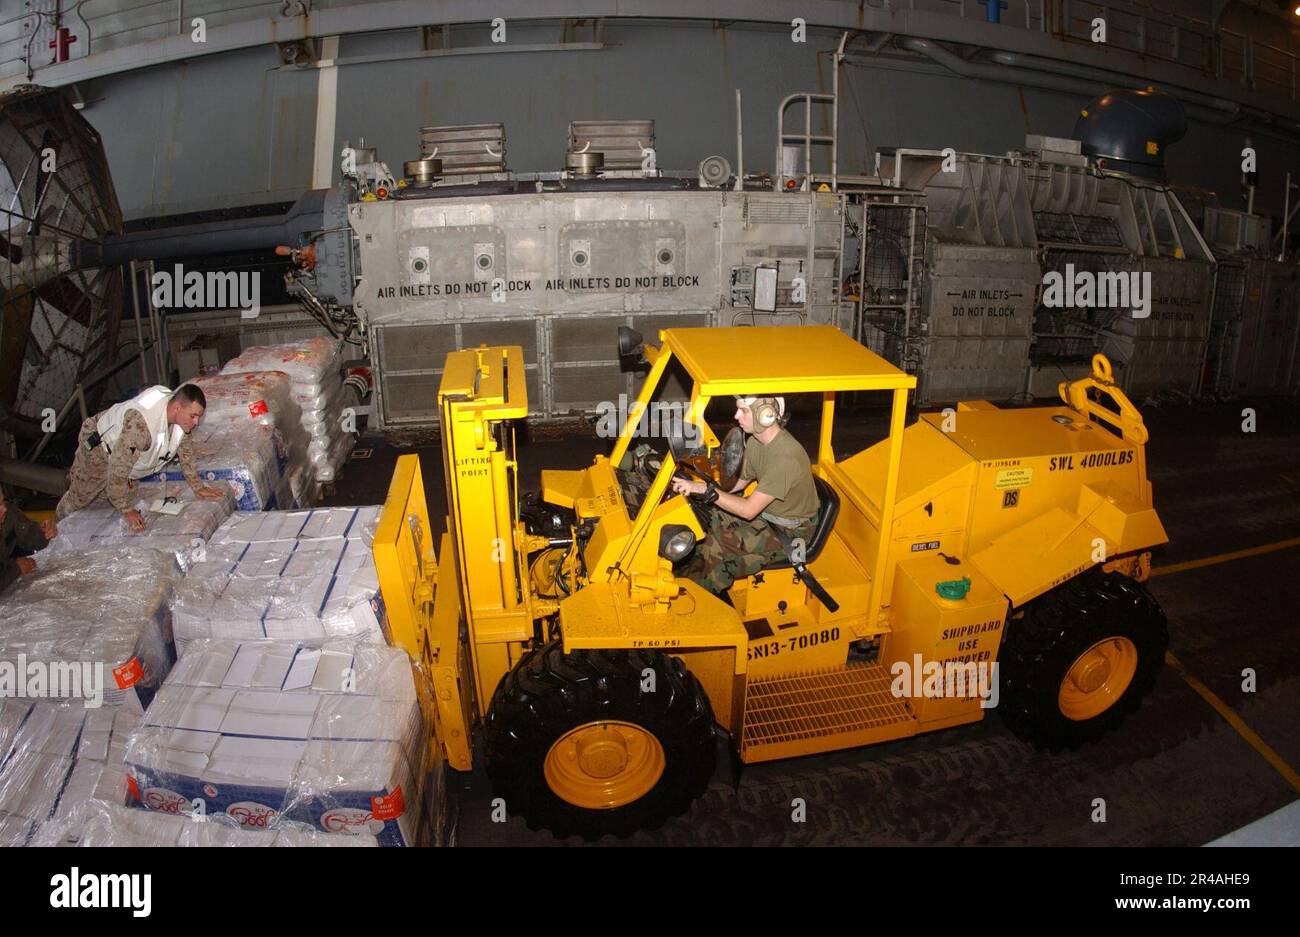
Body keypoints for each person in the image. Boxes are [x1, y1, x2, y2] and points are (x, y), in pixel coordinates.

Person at [670, 396, 819, 595]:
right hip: (768, 515)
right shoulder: (757, 442)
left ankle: (699, 595)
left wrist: (707, 491)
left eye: (744, 411)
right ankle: (688, 570)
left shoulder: (785, 459)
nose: (736, 416)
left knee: (719, 545)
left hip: (792, 532)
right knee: (709, 519)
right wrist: (701, 484)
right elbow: (735, 484)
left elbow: (748, 511)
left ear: (765, 416)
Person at [56, 384, 226, 531]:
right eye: (193, 416)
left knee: (110, 499)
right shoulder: (141, 427)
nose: (196, 422)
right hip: (99, 448)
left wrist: (198, 487)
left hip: (124, 452)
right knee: (81, 497)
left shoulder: (180, 419)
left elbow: (186, 452)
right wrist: (125, 510)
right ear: (177, 408)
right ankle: (55, 523)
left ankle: (84, 482)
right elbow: (117, 467)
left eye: (198, 417)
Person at [0, 487, 57, 594]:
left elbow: (29, 535)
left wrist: (45, 532)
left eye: (2, 501)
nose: (4, 509)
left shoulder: (8, 514)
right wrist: (16, 569)